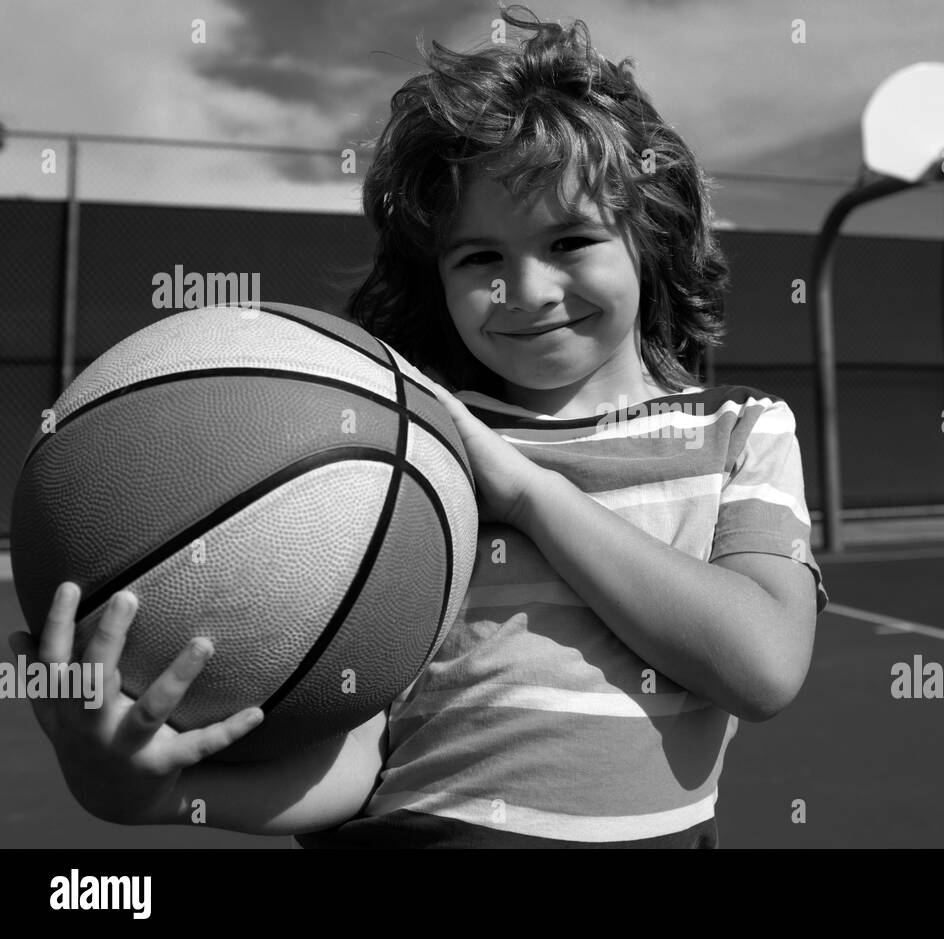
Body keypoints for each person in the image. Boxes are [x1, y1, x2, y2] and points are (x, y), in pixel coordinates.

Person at [9, 5, 828, 848]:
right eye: (481, 258)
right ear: (434, 275)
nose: (529, 289)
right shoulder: (413, 445)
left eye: (572, 239)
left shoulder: (738, 434)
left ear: (650, 241)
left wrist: (528, 494)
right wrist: (160, 794)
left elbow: (761, 666)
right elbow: (365, 759)